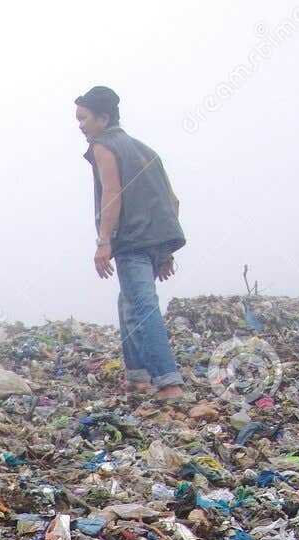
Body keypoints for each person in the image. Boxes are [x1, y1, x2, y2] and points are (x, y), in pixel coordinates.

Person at [75, 85, 186, 400]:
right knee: (129, 303)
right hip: (155, 241)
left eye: (84, 118)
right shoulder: (145, 150)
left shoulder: (103, 145)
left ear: (103, 118)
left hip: (132, 242)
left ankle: (169, 382)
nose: (80, 126)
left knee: (141, 305)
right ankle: (137, 377)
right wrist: (166, 252)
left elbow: (112, 192)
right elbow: (172, 201)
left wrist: (103, 242)